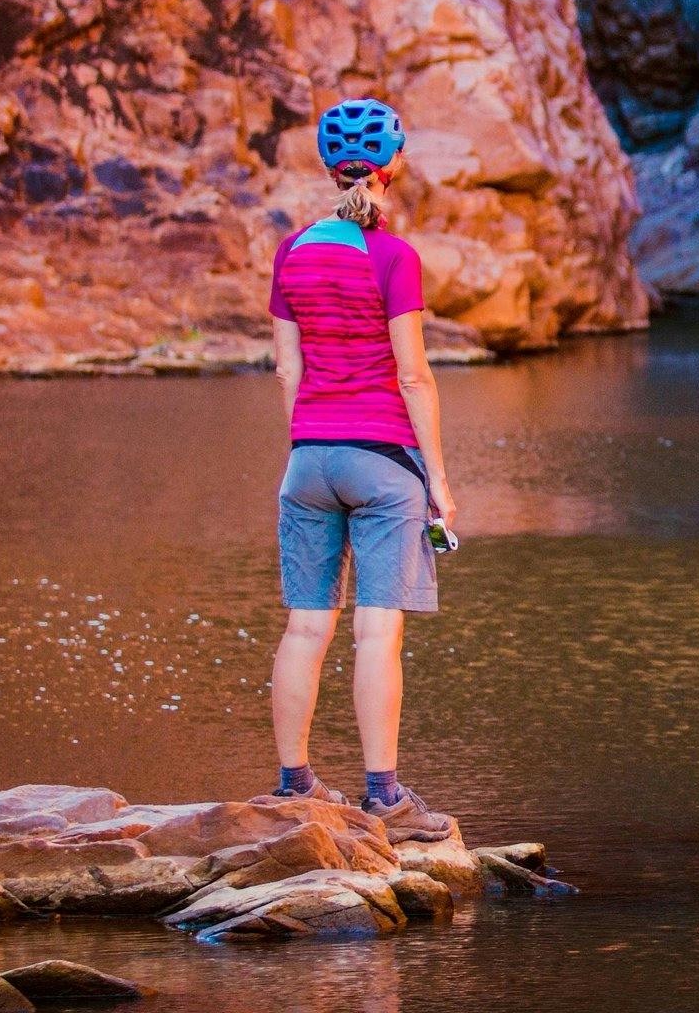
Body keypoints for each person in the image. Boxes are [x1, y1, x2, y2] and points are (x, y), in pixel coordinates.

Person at [261, 97, 456, 841]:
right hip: (383, 465)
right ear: (394, 164)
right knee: (377, 634)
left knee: (305, 626)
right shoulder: (393, 257)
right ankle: (384, 800)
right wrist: (436, 480)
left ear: (327, 164)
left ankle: (292, 786)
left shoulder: (293, 251)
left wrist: (306, 445)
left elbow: (287, 369)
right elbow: (413, 377)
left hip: (308, 460)